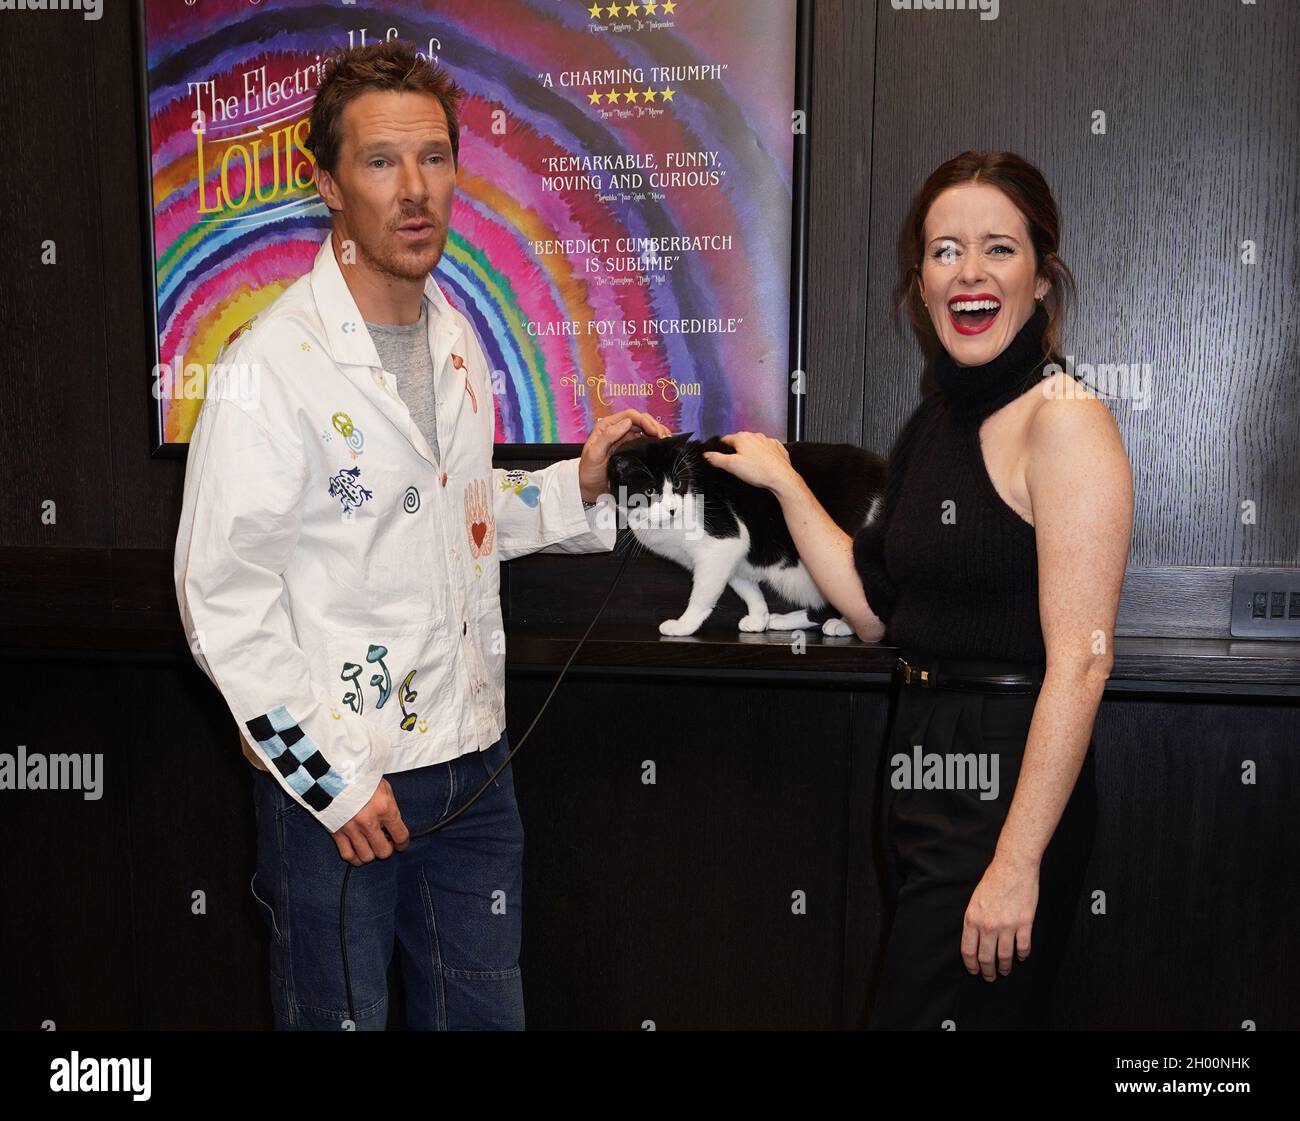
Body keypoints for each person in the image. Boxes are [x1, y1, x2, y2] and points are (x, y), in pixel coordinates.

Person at [173, 39, 669, 1030]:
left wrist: (578, 481)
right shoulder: (268, 365)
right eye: (380, 161)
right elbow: (220, 604)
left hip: (474, 766)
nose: (415, 190)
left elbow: (455, 511)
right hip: (336, 790)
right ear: (325, 182)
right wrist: (332, 778)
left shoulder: (455, 336)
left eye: (435, 158)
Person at [703, 151, 1133, 1029]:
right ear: (922, 281)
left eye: (998, 248)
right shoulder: (935, 420)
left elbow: (1083, 666)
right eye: (945, 250)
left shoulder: (1067, 422)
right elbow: (873, 612)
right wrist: (785, 482)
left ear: (1042, 279)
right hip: (922, 761)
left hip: (1007, 778)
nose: (968, 271)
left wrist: (1016, 862)